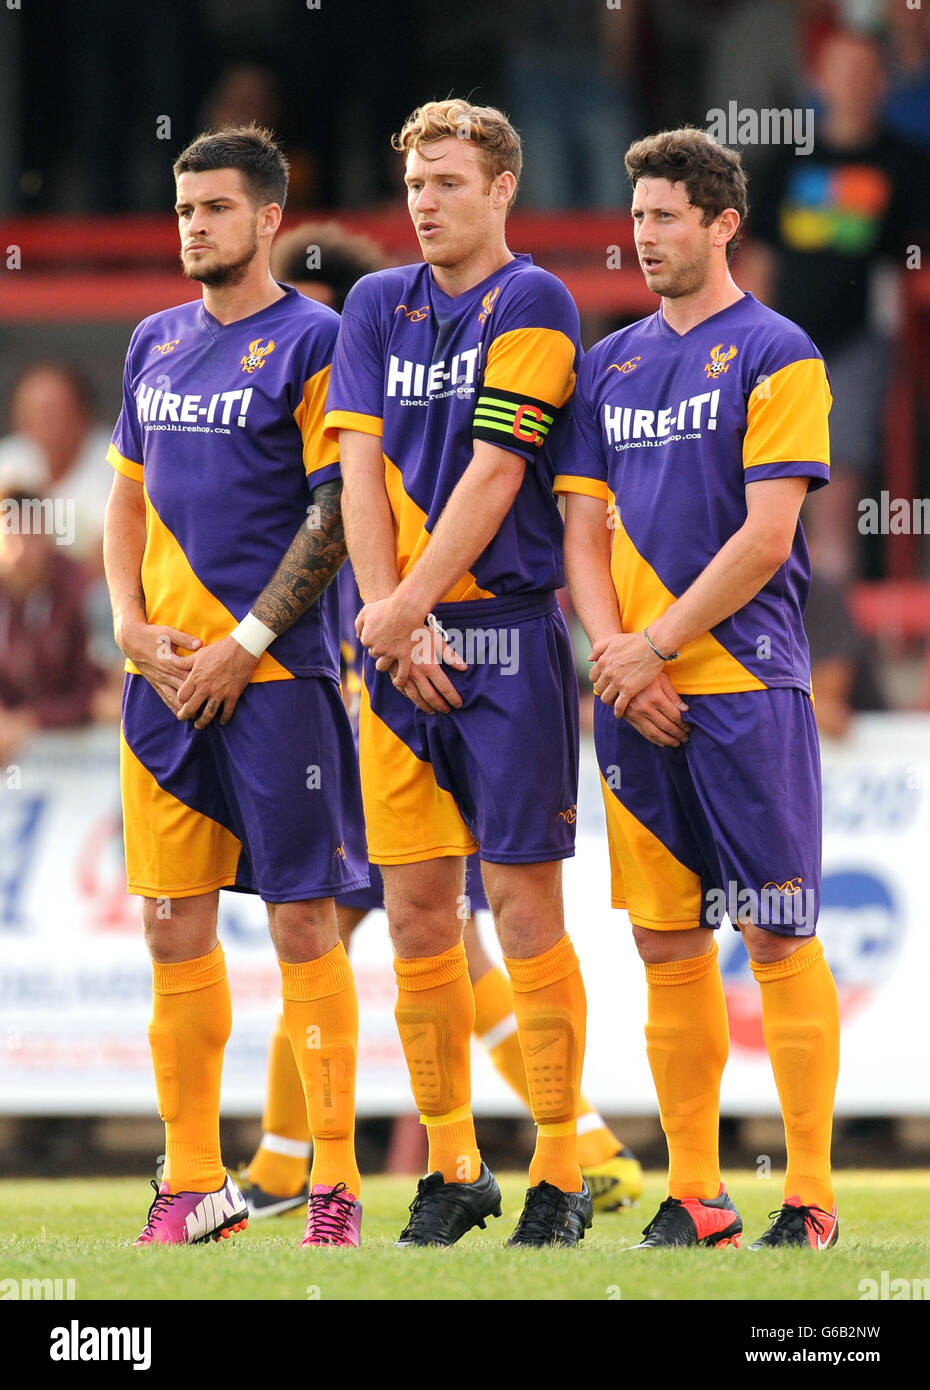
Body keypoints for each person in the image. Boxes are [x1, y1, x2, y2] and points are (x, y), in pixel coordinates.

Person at [238, 221, 643, 1221]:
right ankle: (349, 1160)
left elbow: (356, 522)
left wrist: (392, 621)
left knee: (402, 922)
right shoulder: (338, 377)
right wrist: (388, 635)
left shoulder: (479, 325)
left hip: (436, 648)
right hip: (366, 671)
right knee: (399, 923)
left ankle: (553, 1152)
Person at [558, 127, 841, 1251]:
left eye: (666, 216)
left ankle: (810, 1196)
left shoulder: (780, 351)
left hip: (741, 683)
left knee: (775, 933)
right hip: (634, 692)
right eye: (636, 218)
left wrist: (655, 644)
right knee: (667, 944)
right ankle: (697, 1194)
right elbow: (582, 528)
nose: (644, 236)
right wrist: (615, 653)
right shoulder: (611, 363)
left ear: (724, 222)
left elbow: (768, 538)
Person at [324, 99, 594, 1248]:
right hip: (402, 638)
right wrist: (394, 622)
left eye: (447, 180)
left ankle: (563, 1170)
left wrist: (406, 610)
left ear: (499, 191)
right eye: (415, 183)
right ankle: (454, 1165)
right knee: (417, 914)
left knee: (526, 907)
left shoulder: (535, 300)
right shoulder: (376, 303)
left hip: (508, 635)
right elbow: (359, 469)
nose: (425, 200)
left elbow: (494, 477)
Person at [103, 125, 368, 1248]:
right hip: (162, 682)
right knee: (173, 930)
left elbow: (335, 517)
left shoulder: (318, 342)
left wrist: (246, 641)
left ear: (269, 219)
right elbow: (124, 502)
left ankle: (335, 1186)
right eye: (182, 210)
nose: (194, 226)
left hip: (274, 684)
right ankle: (197, 1180)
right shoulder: (153, 341)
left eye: (215, 207)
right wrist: (127, 626)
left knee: (306, 924)